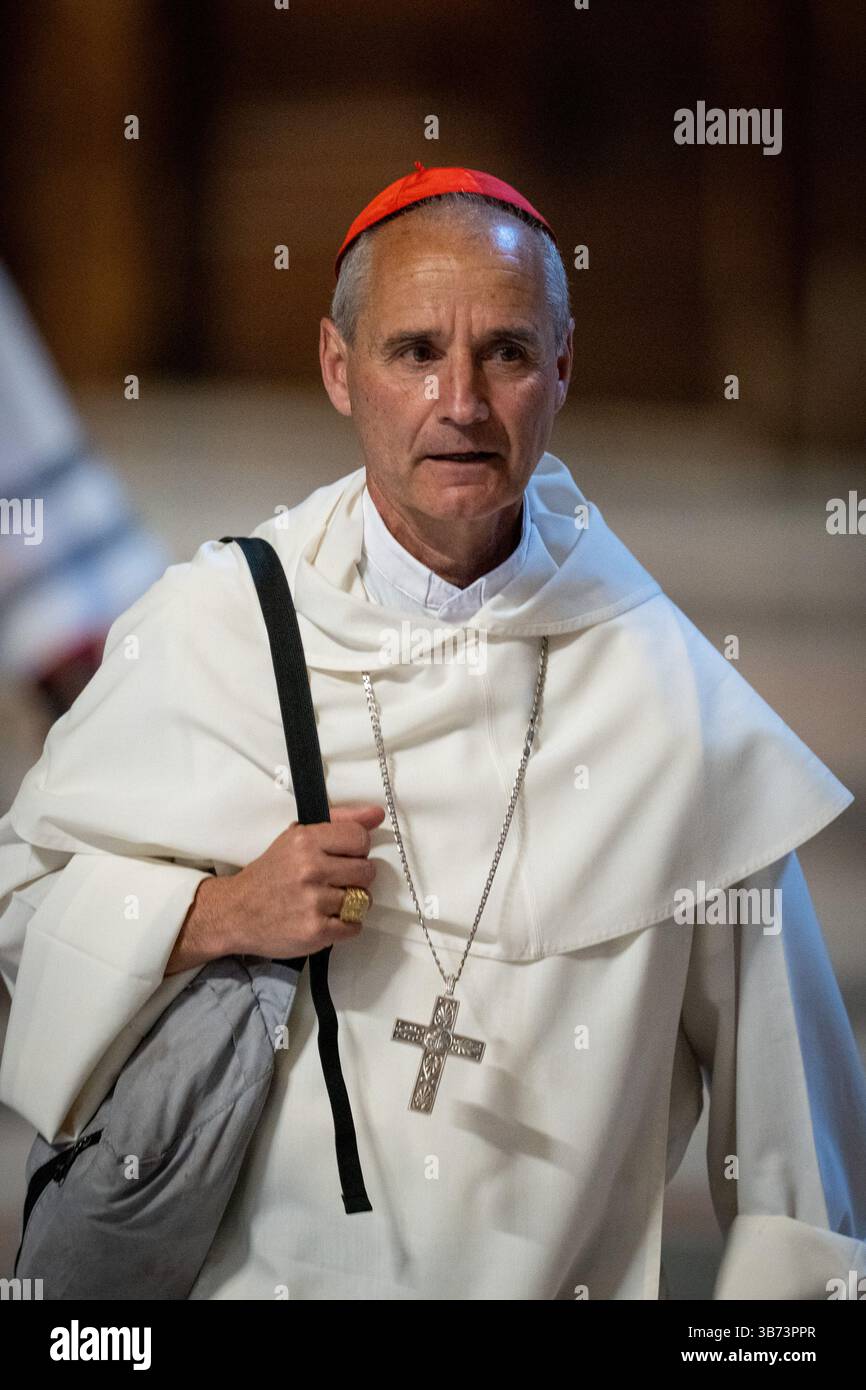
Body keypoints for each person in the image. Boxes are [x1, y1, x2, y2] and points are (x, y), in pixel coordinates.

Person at [1, 165, 865, 1300]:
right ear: (335, 367)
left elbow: (799, 1171)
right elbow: (22, 904)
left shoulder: (673, 709)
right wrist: (212, 913)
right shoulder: (213, 631)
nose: (460, 399)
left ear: (560, 366)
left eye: (504, 351)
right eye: (414, 351)